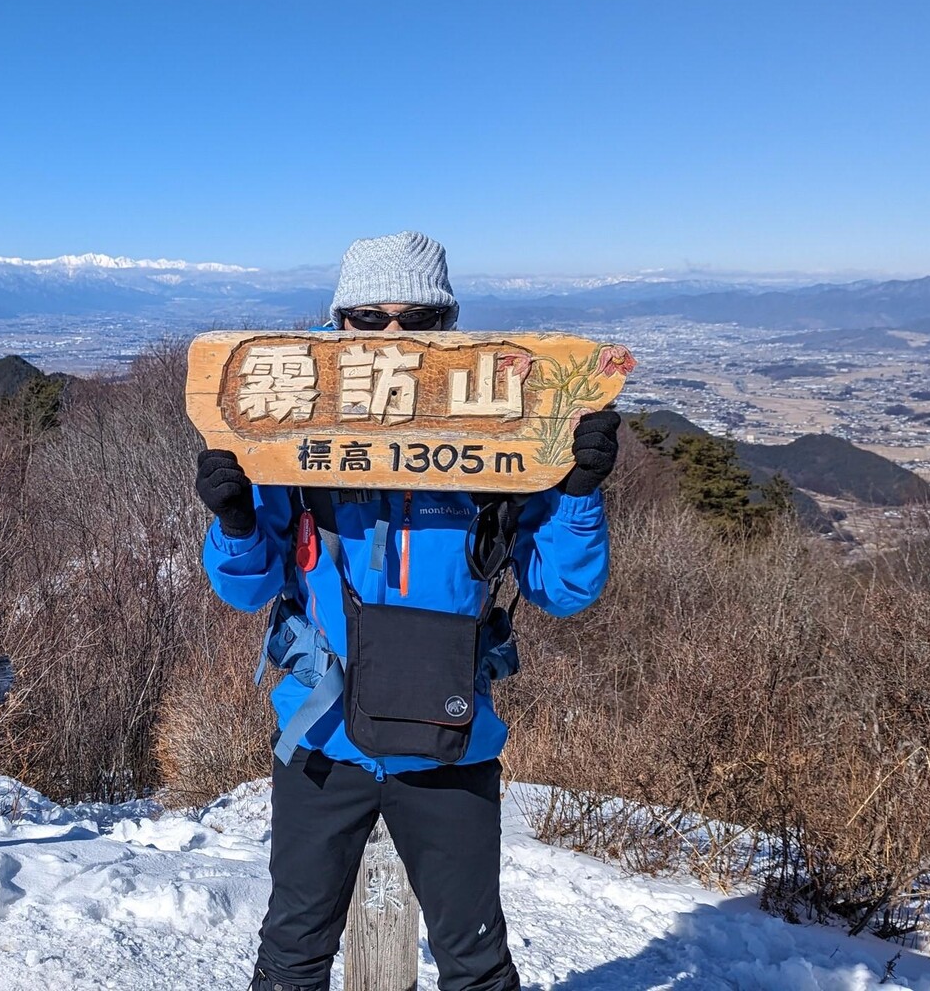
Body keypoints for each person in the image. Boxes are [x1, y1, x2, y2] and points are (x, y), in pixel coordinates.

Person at [196, 231, 619, 991]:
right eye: (368, 319)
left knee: (476, 962)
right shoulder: (294, 431)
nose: (394, 339)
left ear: (451, 328)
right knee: (292, 953)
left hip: (451, 739)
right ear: (336, 324)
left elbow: (564, 590)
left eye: (419, 320)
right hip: (322, 734)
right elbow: (247, 589)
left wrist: (578, 494)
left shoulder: (502, 436)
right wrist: (233, 521)